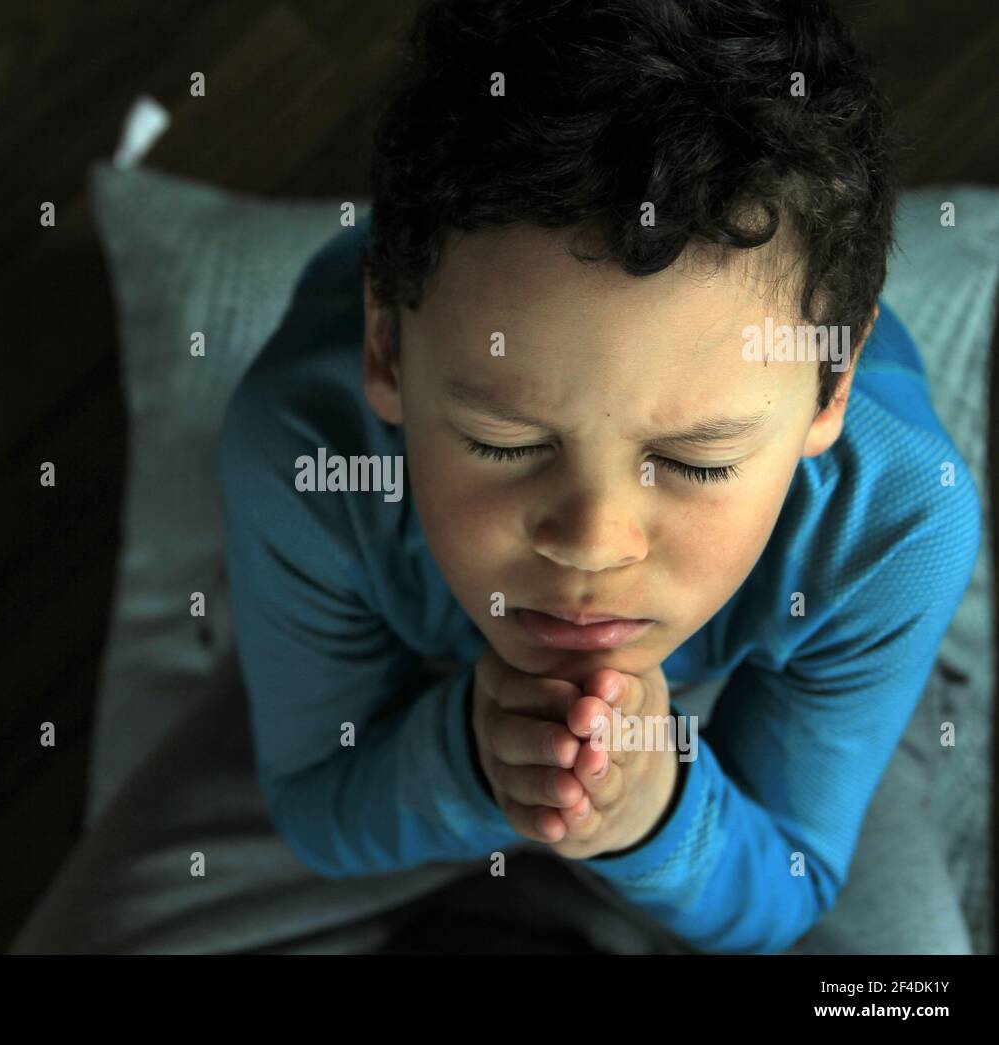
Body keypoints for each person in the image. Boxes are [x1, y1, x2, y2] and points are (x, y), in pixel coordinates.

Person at [216, 0, 981, 953]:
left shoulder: (896, 523)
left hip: (762, 668)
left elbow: (796, 873)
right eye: (503, 441)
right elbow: (314, 805)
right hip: (427, 690)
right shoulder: (304, 456)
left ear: (833, 388)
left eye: (697, 461)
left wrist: (653, 809)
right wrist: (469, 756)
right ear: (386, 346)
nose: (591, 541)